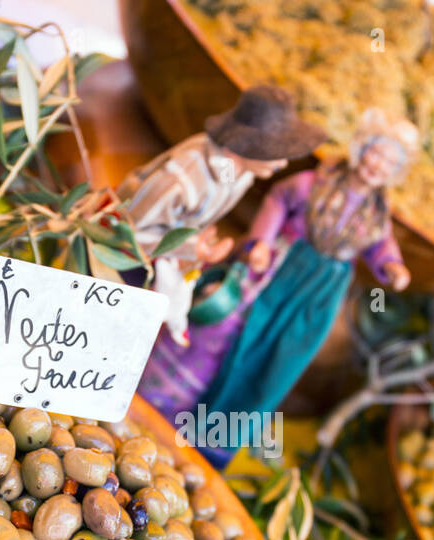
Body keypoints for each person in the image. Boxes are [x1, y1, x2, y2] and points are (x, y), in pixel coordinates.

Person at [189, 109, 417, 463]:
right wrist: (260, 242)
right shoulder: (316, 182)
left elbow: (380, 246)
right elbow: (278, 199)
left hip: (321, 293)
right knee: (237, 338)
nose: (377, 166)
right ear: (361, 148)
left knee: (280, 363)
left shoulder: (377, 214)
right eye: (376, 152)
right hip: (281, 268)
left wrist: (393, 266)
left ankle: (216, 444)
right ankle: (185, 413)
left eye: (389, 163)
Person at [117, 85, 325, 346]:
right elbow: (128, 230)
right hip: (122, 263)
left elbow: (209, 202)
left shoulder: (240, 172)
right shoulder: (183, 178)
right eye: (276, 152)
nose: (282, 163)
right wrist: (193, 248)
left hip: (163, 257)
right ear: (250, 146)